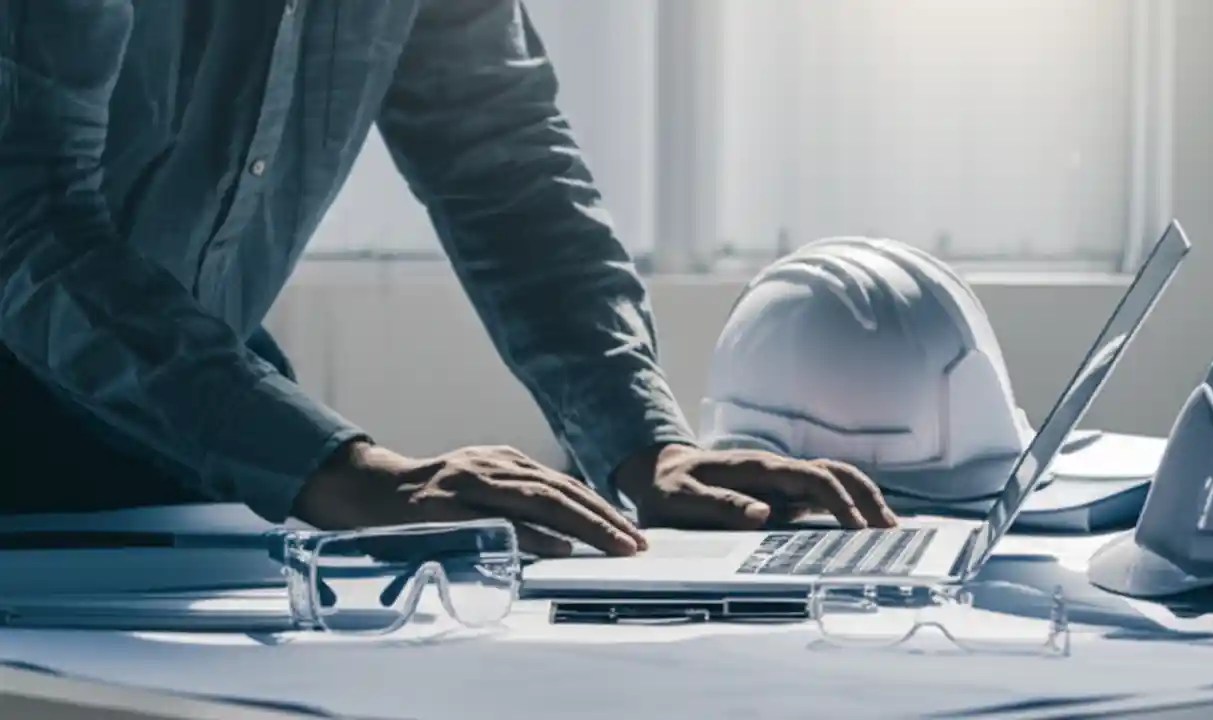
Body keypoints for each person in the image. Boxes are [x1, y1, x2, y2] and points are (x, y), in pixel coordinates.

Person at [0, 0, 895, 557]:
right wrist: (344, 468)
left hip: (193, 436)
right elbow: (25, 222)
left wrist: (646, 446)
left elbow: (504, 160)